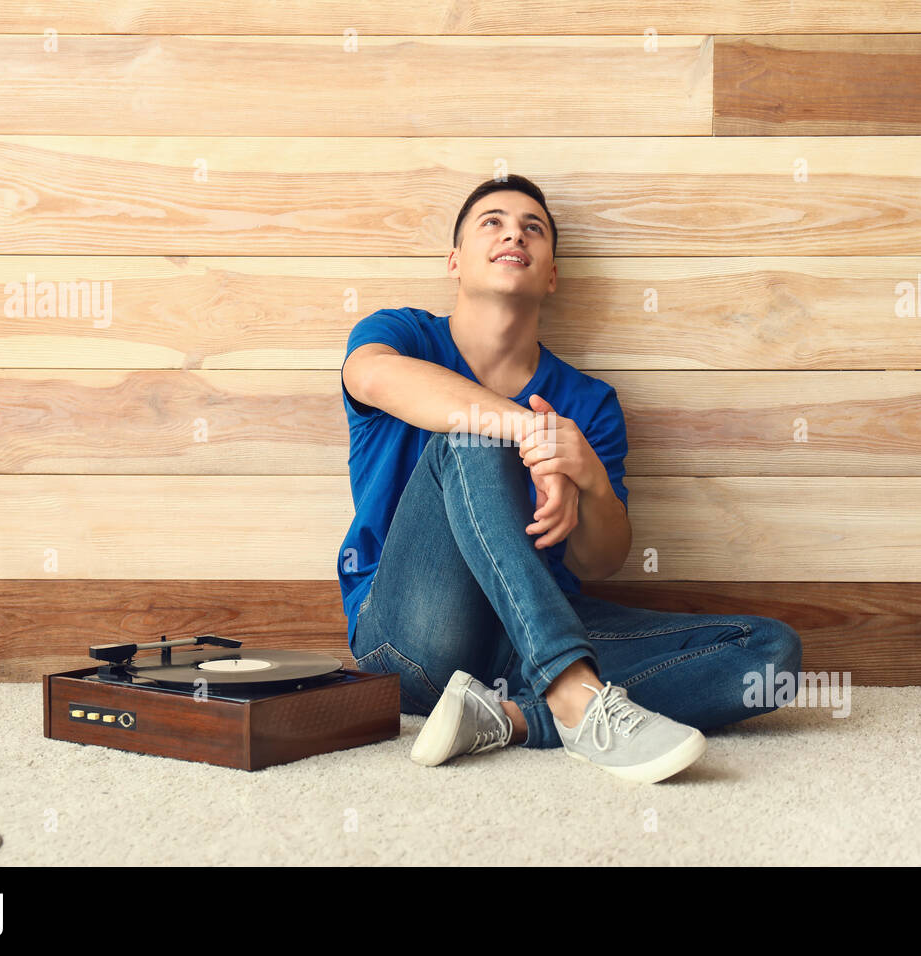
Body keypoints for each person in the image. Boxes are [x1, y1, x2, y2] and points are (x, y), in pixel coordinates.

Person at [337, 175, 802, 783]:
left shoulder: (588, 401)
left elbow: (598, 563)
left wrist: (588, 479)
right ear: (455, 262)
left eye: (534, 228)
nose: (514, 233)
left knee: (773, 654)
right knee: (473, 435)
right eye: (493, 222)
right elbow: (370, 378)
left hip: (526, 642)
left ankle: (513, 718)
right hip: (411, 640)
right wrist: (531, 435)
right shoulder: (400, 335)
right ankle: (575, 695)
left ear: (550, 273)